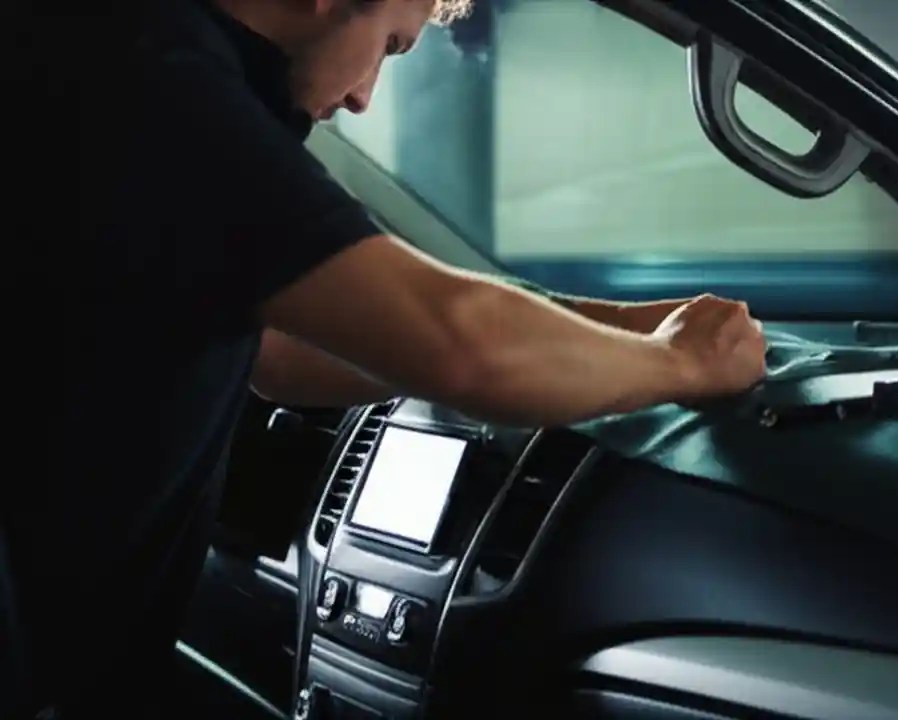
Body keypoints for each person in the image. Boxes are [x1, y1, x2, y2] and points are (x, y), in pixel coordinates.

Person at [4, 0, 767, 717]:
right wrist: (683, 366)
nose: (367, 95)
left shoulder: (138, 61)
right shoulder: (162, 86)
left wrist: (635, 326)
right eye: (390, 45)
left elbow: (289, 345)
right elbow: (462, 350)